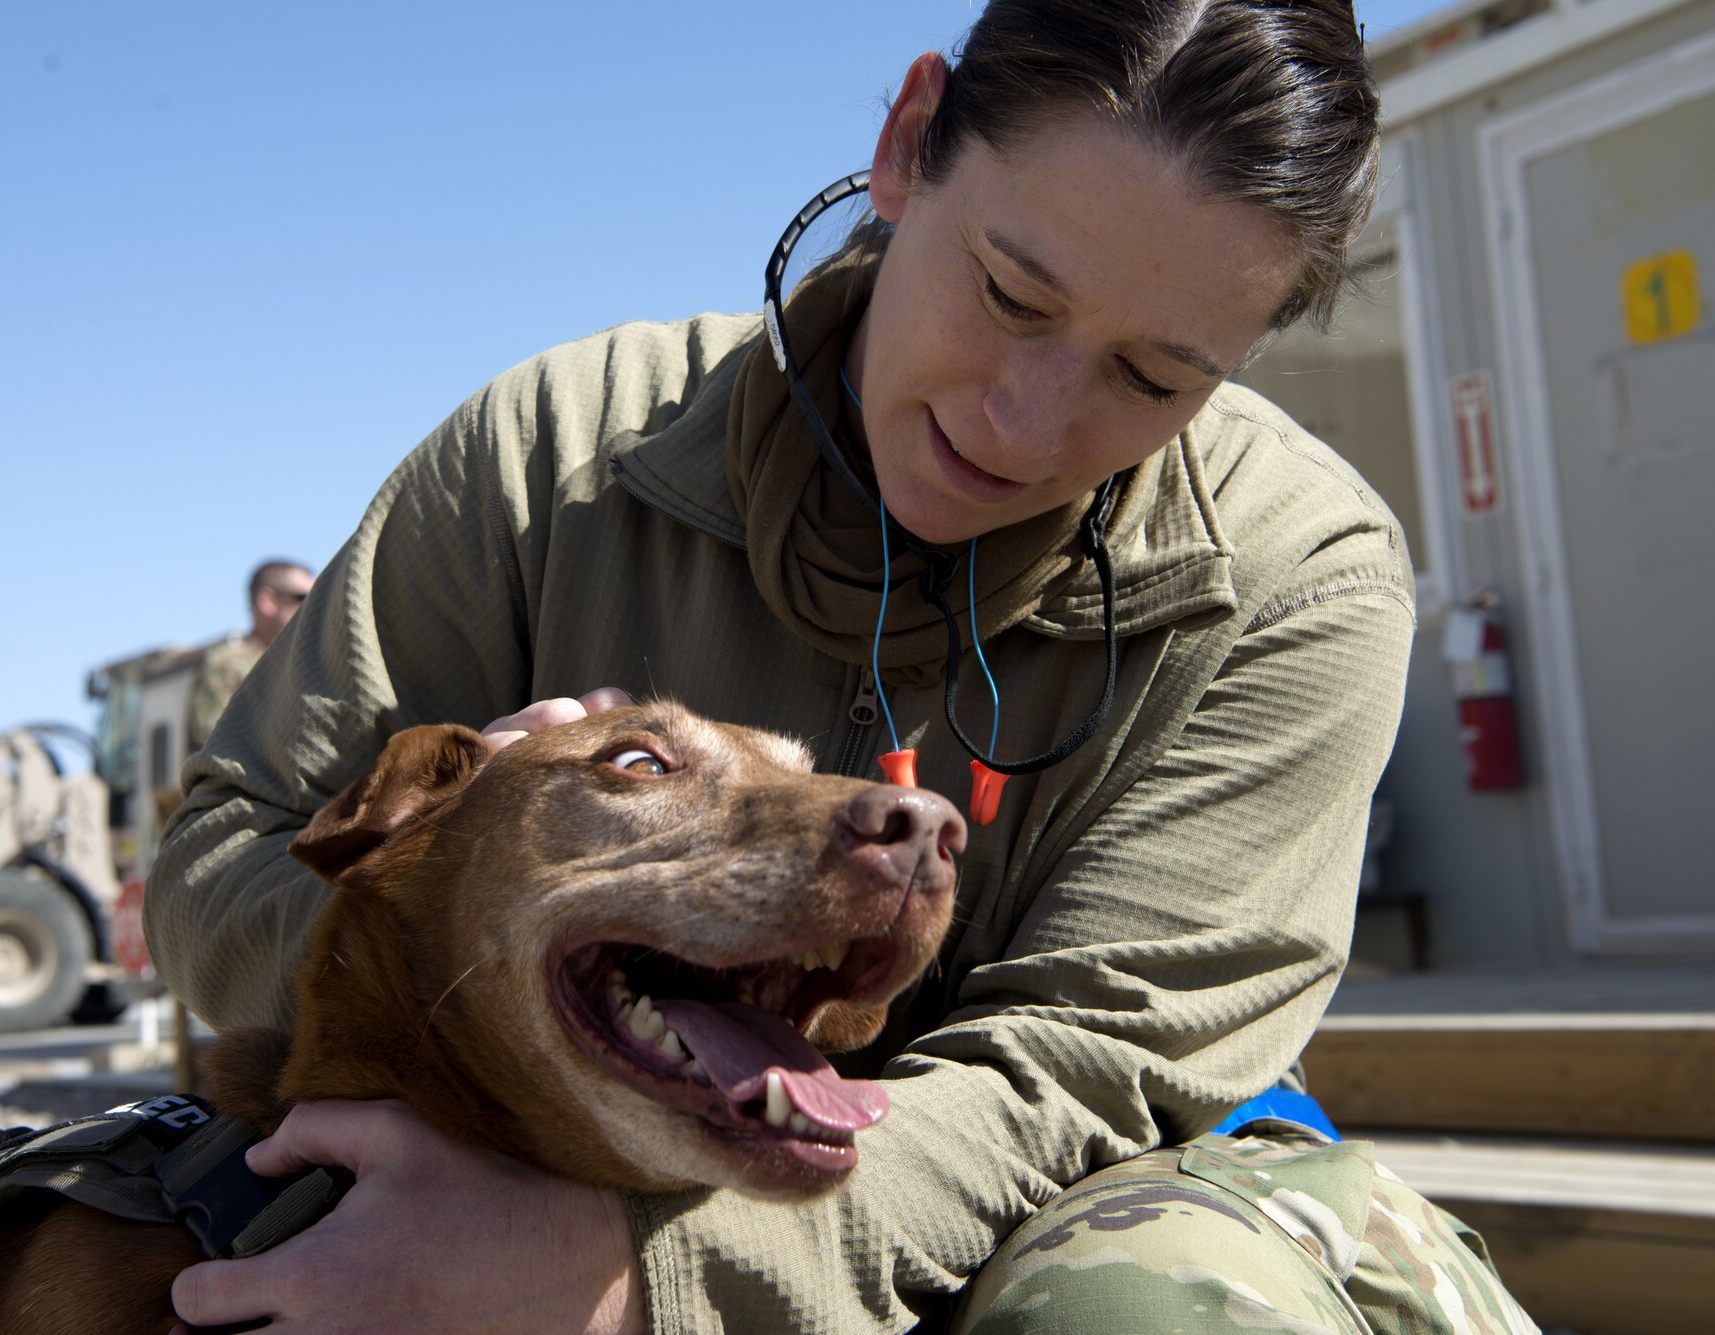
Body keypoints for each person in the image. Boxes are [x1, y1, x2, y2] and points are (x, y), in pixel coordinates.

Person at [148, 4, 1538, 1331]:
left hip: (1084, 1189)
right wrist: (469, 885)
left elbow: (1095, 1066)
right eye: (1010, 292)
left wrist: (648, 1277)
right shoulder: (554, 458)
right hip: (589, 1142)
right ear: (908, 142)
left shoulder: (1302, 571)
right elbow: (222, 863)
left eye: (1154, 379)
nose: (1026, 416)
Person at [184, 558, 315, 754]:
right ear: (267, 601)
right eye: (302, 598)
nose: (313, 608)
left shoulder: (306, 662)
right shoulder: (227, 665)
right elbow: (215, 746)